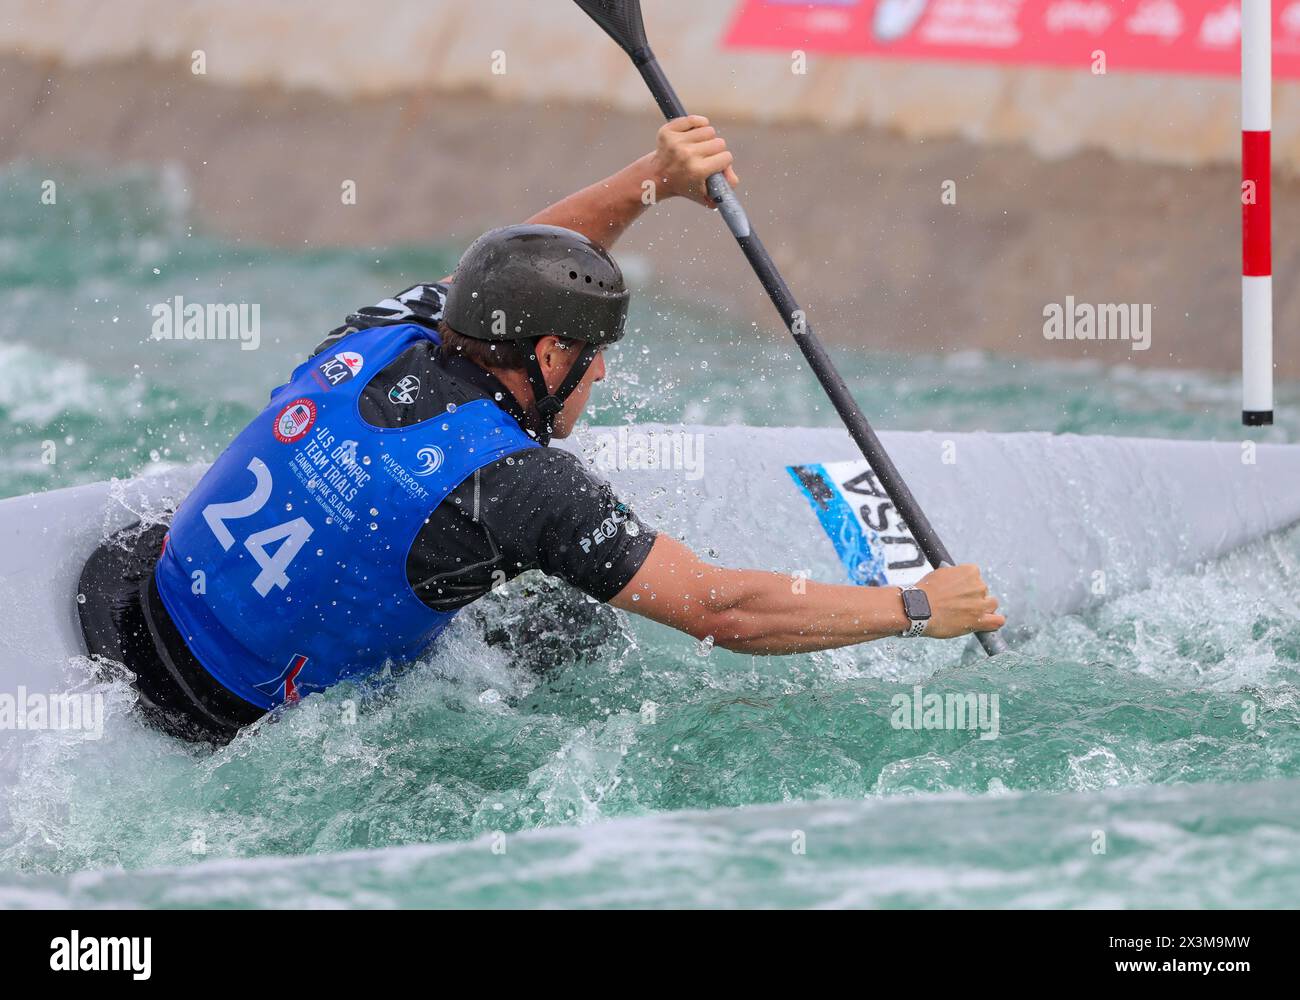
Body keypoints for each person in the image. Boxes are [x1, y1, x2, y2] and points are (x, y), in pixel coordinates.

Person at [79, 116, 1004, 744]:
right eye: (595, 355)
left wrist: (654, 180)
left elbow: (505, 267)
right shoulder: (520, 486)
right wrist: (915, 610)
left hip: (132, 614)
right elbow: (722, 609)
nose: (603, 374)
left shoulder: (387, 332)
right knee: (570, 625)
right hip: (238, 722)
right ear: (551, 355)